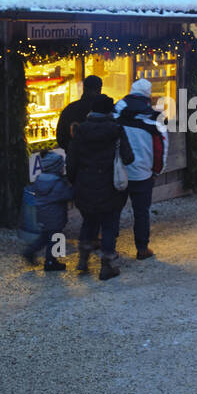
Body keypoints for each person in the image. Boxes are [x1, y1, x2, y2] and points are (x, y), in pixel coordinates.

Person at [67, 94, 133, 280]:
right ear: (109, 110)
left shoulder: (80, 130)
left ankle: (84, 259)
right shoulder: (116, 130)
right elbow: (129, 158)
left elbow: (71, 162)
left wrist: (75, 182)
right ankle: (107, 265)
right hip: (109, 186)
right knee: (109, 224)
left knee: (89, 221)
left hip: (85, 185)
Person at [115, 78, 166, 260]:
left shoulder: (116, 110)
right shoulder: (155, 118)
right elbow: (161, 149)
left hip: (119, 172)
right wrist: (156, 171)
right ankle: (142, 249)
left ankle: (110, 247)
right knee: (141, 212)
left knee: (113, 210)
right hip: (143, 173)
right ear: (148, 94)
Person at [21, 148, 72, 271]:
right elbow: (67, 195)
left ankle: (29, 251)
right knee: (56, 238)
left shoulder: (40, 180)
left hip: (43, 214)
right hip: (55, 216)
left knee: (45, 236)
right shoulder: (57, 183)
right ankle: (51, 261)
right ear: (56, 168)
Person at [56, 74, 103, 151]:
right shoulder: (104, 110)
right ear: (99, 90)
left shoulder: (70, 109)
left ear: (84, 88)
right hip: (100, 160)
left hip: (76, 159)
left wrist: (72, 150)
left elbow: (61, 139)